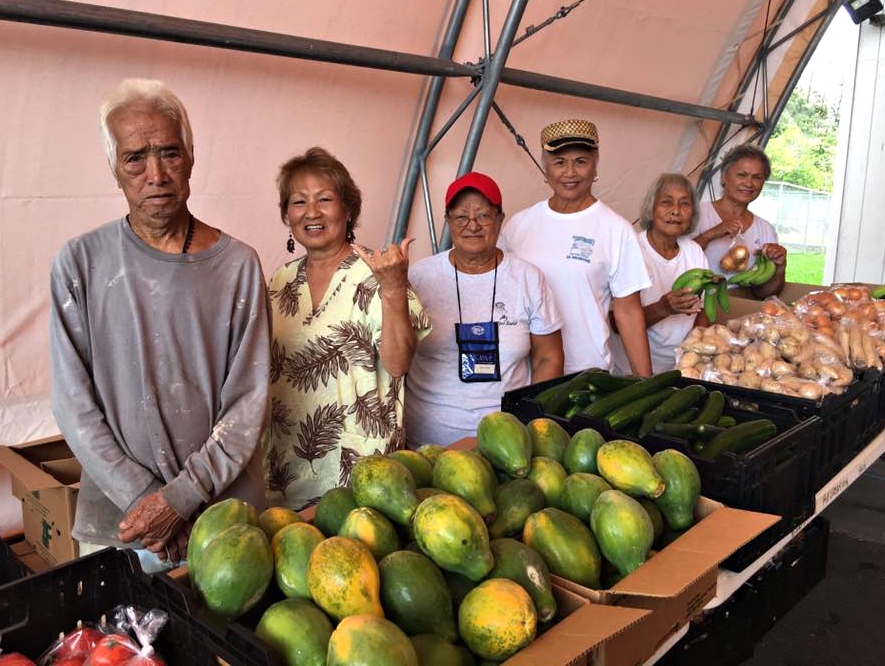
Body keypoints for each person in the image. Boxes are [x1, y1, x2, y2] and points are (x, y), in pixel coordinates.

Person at [49, 79, 270, 572]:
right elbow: (73, 405)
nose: (156, 175)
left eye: (169, 153)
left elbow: (248, 405)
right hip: (123, 522)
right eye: (135, 158)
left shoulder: (238, 266)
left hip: (220, 526)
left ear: (191, 157)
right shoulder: (79, 263)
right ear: (114, 169)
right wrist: (148, 501)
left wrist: (181, 499)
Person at [264, 147, 431, 510]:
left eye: (325, 199)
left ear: (348, 209)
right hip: (288, 464)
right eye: (299, 201)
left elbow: (399, 364)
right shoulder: (280, 281)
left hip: (360, 465)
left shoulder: (379, 271)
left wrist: (393, 288)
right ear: (286, 215)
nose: (312, 212)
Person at [404, 172, 564, 446]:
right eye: (461, 216)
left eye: (483, 215)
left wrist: (527, 423)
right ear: (448, 221)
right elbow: (397, 355)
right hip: (426, 441)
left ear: (500, 219)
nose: (472, 225)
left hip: (507, 441)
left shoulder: (527, 278)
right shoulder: (420, 277)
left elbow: (548, 357)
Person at [499, 119, 653, 376]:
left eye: (581, 162)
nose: (570, 173)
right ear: (546, 168)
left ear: (595, 165)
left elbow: (628, 312)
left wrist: (646, 383)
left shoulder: (616, 229)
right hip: (524, 374)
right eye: (559, 162)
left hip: (585, 375)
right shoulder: (518, 226)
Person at [611, 174, 710, 375]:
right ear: (651, 208)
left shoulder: (694, 251)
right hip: (632, 373)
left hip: (680, 369)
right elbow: (615, 323)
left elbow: (703, 311)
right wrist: (663, 308)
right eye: (667, 202)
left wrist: (692, 353)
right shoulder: (631, 250)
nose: (676, 211)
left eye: (684, 203)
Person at [693, 143, 787, 297]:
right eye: (741, 175)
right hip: (698, 306)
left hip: (743, 308)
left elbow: (765, 293)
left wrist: (780, 266)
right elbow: (673, 260)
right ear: (723, 177)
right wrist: (711, 234)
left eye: (757, 177)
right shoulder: (696, 215)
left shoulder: (766, 229)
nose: (749, 183)